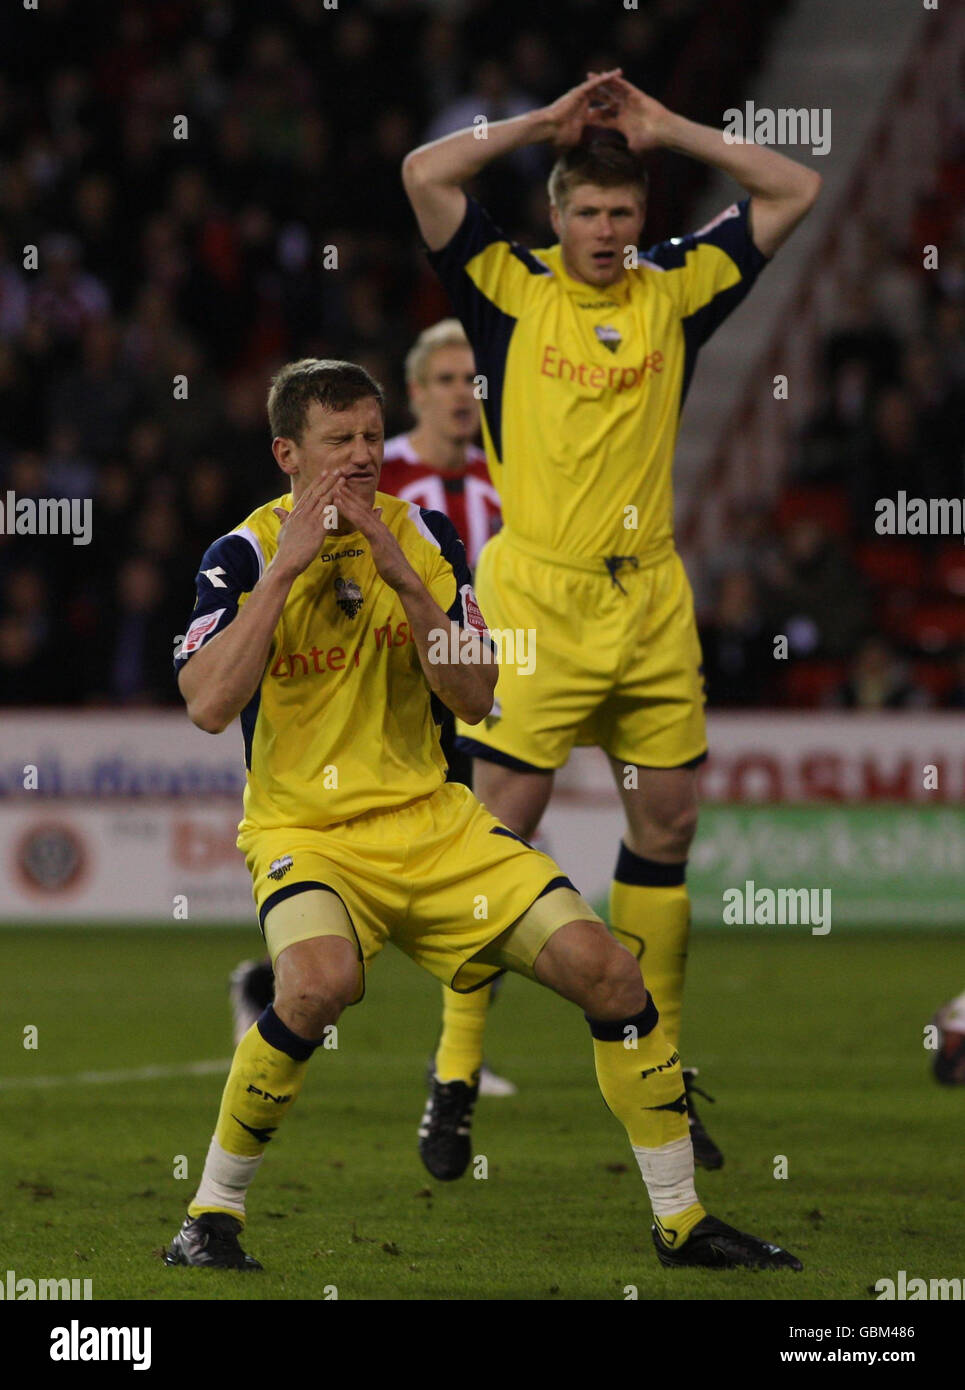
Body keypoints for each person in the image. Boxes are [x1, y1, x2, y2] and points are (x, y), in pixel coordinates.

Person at [165, 357, 800, 1273]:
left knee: (612, 976)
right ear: (287, 454)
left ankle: (683, 1224)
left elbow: (472, 695)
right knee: (313, 985)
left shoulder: (420, 536)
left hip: (437, 826)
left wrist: (406, 582)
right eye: (337, 441)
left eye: (371, 437)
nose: (360, 456)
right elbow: (207, 703)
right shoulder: (245, 554)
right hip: (307, 835)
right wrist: (286, 577)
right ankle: (210, 1217)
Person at [402, 68, 821, 1175]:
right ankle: (452, 1078)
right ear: (554, 216)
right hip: (538, 598)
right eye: (584, 211)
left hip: (648, 601)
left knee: (668, 826)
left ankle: (661, 1076)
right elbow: (422, 173)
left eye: (621, 212)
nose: (602, 230)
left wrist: (668, 131)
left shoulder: (675, 286)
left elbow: (793, 190)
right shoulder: (502, 284)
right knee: (497, 836)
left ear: (645, 219)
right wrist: (542, 125)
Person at [227, 321, 517, 1117]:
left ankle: (457, 1064)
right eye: (449, 380)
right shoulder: (392, 493)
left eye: (475, 380)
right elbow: (208, 700)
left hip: (455, 684)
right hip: (372, 721)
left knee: (509, 880)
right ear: (421, 393)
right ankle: (450, 1066)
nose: (466, 395)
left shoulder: (504, 481)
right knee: (350, 949)